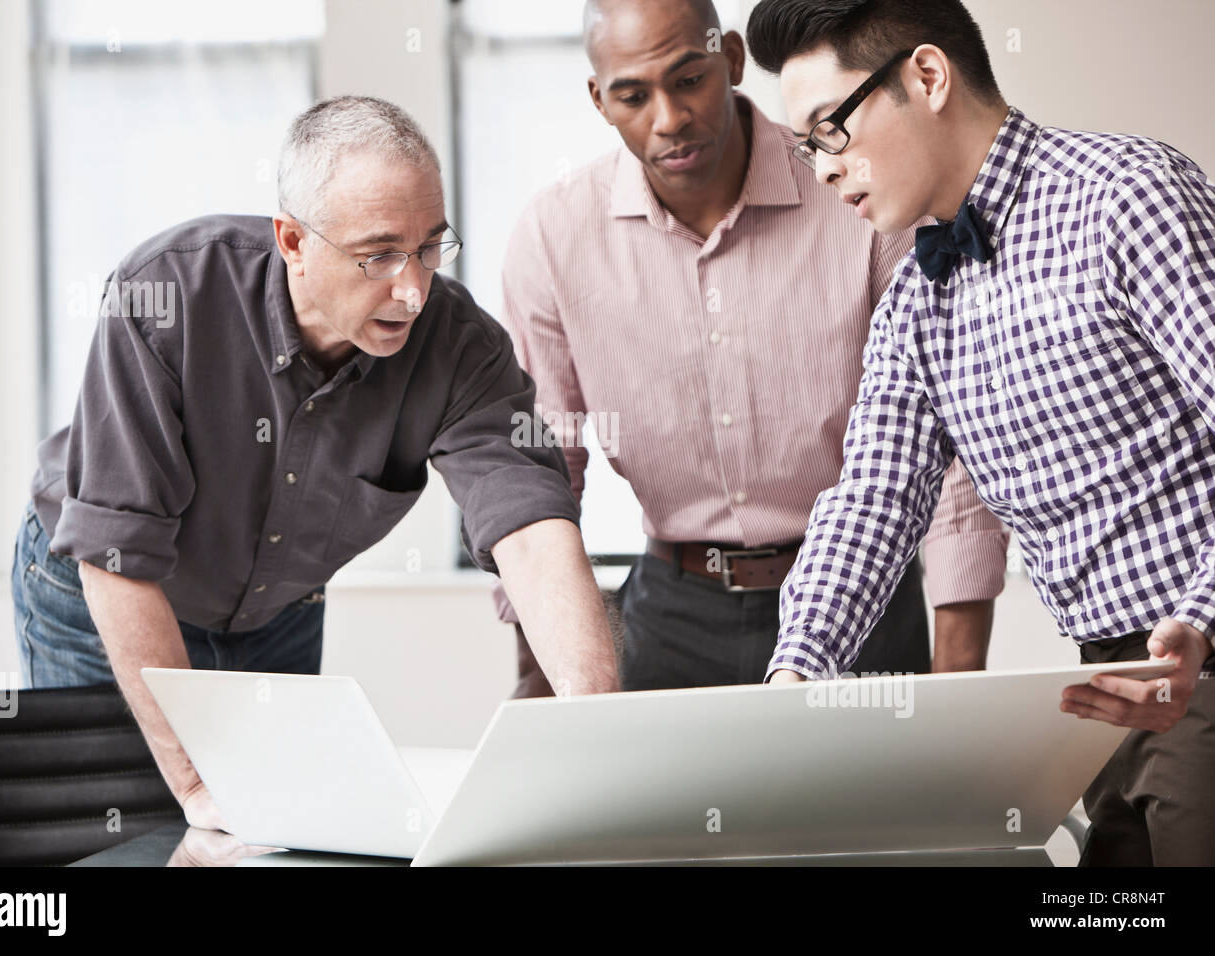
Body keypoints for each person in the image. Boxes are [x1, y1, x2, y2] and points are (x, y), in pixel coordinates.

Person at [12, 95, 620, 830]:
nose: (414, 289)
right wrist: (196, 784)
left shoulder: (460, 345)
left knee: (282, 832)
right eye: (380, 255)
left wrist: (597, 737)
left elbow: (531, 526)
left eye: (431, 247)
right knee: (120, 834)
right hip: (102, 590)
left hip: (275, 610)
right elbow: (120, 553)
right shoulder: (164, 295)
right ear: (293, 242)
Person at [748, 0, 1215, 865]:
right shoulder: (916, 304)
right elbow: (873, 503)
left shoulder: (1126, 199)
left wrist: (1201, 616)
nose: (820, 170)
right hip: (1100, 696)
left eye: (830, 131)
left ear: (926, 77)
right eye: (803, 148)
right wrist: (797, 672)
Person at [494, 0, 1010, 696]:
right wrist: (541, 676)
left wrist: (958, 685)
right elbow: (541, 470)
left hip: (865, 599)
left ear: (731, 60)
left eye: (688, 80)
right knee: (658, 809)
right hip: (670, 614)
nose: (669, 118)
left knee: (872, 810)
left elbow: (952, 444)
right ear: (598, 99)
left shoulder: (861, 192)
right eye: (632, 95)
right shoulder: (554, 236)